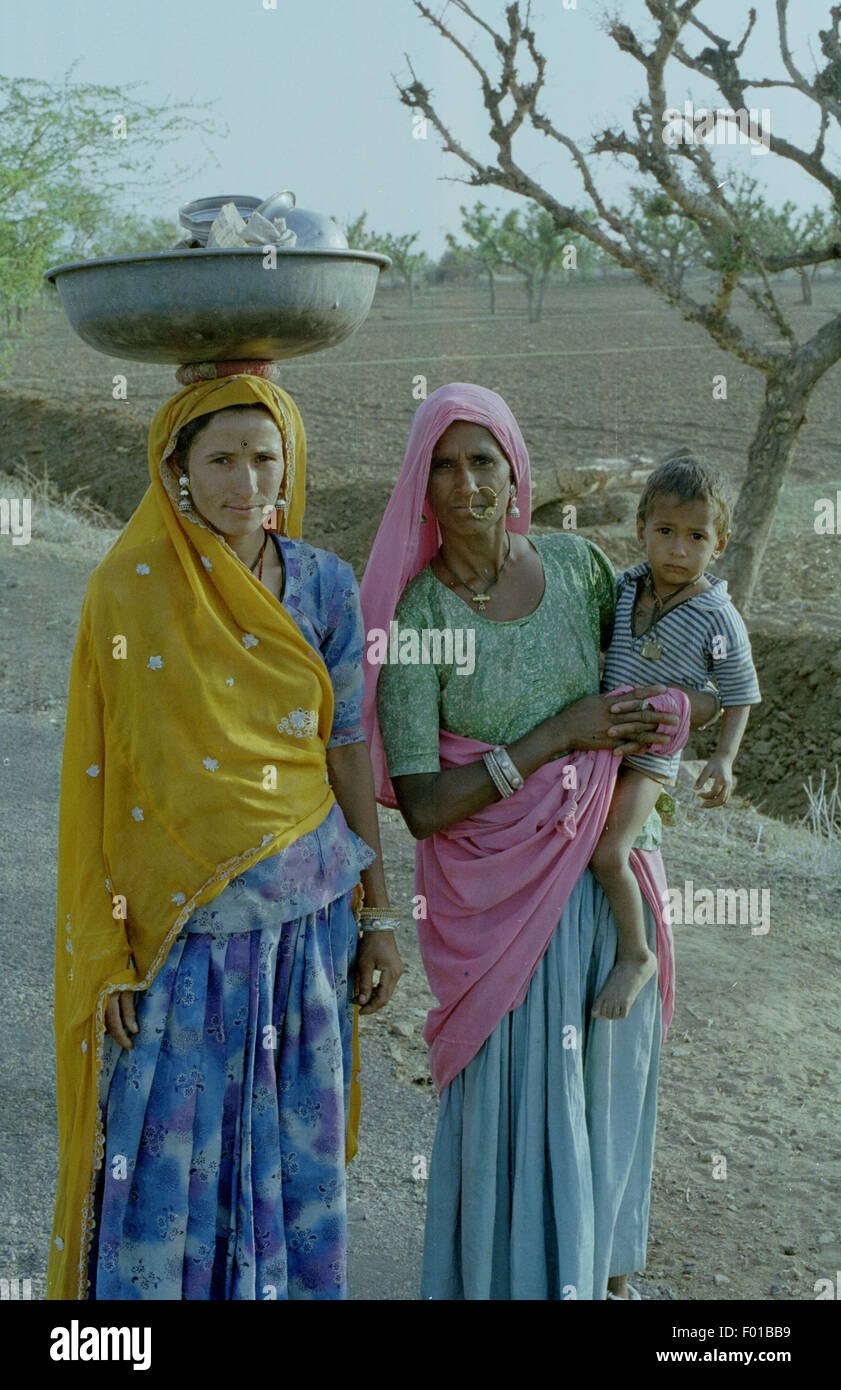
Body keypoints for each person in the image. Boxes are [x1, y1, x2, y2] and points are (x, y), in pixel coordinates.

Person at [47, 371, 403, 1301]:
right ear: (175, 469)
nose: (245, 483)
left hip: (307, 925)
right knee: (169, 1155)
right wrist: (109, 948)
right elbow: (105, 778)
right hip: (180, 933)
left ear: (289, 467)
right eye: (220, 459)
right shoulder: (129, 589)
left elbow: (349, 747)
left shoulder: (325, 582)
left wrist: (379, 913)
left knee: (293, 1147)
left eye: (264, 458)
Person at [360, 382, 719, 1301]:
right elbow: (425, 802)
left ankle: (593, 1270)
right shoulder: (421, 624)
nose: (466, 483)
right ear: (420, 484)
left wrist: (678, 736)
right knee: (527, 1090)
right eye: (443, 465)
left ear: (515, 467)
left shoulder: (580, 568)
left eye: (483, 460)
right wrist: (559, 736)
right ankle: (511, 1278)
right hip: (499, 906)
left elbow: (649, 682)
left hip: (604, 876)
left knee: (604, 1072)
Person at [589, 454, 761, 1020]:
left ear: (721, 542)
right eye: (665, 532)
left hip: (650, 759)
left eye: (696, 536)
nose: (678, 550)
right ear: (641, 529)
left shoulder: (718, 617)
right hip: (598, 745)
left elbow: (739, 694)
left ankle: (638, 955)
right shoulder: (623, 588)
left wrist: (723, 760)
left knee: (610, 851)